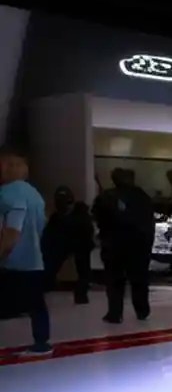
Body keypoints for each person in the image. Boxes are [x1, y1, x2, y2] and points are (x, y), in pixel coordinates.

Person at [0, 146, 51, 356]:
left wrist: (2, 252)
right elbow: (41, 227)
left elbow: (13, 230)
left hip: (12, 261)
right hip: (34, 261)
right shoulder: (36, 196)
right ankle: (42, 343)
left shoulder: (8, 193)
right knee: (36, 304)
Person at [93, 168, 154, 323]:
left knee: (114, 280)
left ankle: (115, 313)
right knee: (139, 279)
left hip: (113, 245)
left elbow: (98, 218)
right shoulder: (142, 196)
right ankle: (142, 310)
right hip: (138, 246)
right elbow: (149, 221)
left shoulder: (106, 197)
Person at [42, 186, 95, 305]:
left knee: (83, 270)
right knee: (81, 270)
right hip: (67, 244)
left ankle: (81, 295)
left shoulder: (73, 215)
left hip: (77, 244)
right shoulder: (60, 217)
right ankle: (80, 295)